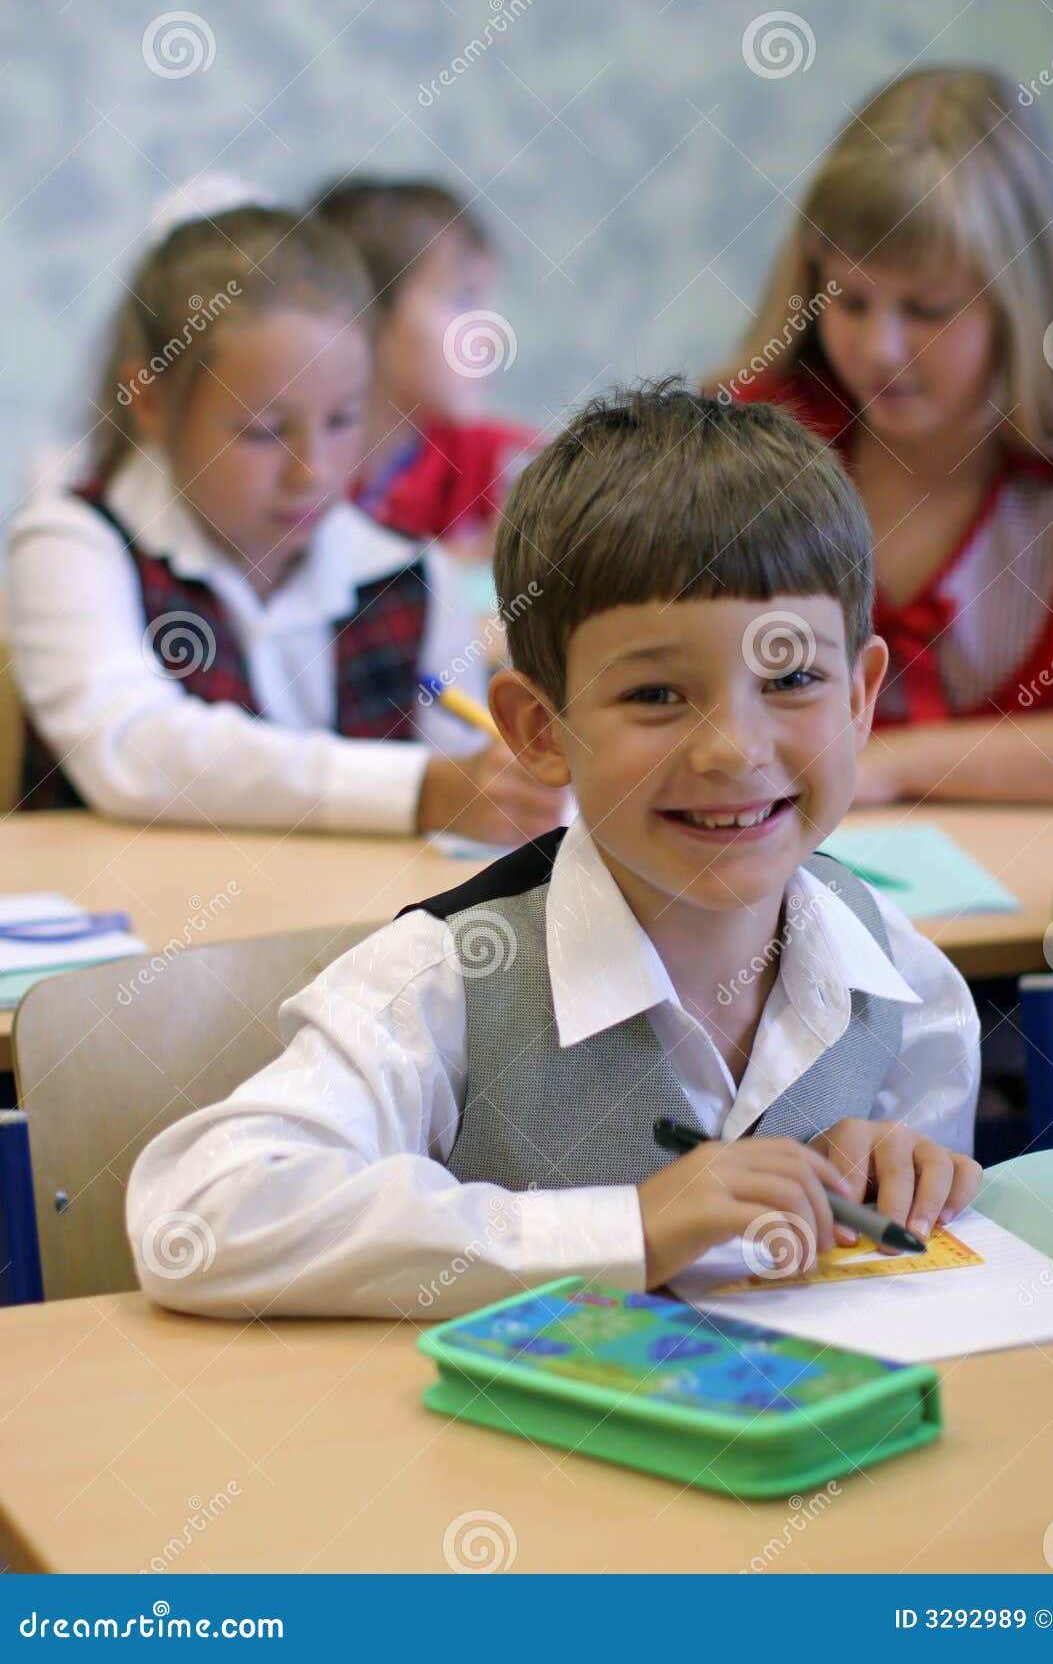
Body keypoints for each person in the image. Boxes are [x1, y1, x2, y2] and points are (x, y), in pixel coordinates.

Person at [126, 382, 981, 1319]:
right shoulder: (448, 980)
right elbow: (198, 1217)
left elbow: (921, 1291)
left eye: (792, 679)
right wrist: (625, 1229)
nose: (734, 751)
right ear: (539, 730)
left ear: (859, 700)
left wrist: (900, 1175)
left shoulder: (904, 982)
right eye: (657, 695)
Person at [714, 67, 1053, 805]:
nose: (880, 349)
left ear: (1021, 302)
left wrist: (898, 763)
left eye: (928, 308)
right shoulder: (745, 436)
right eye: (849, 299)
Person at [9, 198, 564, 843]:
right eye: (264, 431)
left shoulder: (412, 574)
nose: (313, 471)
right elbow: (131, 748)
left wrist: (501, 792)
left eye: (343, 420)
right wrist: (421, 789)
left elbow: (473, 800)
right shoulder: (73, 542)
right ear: (153, 403)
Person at [312, 176, 539, 556]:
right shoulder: (298, 469)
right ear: (364, 314)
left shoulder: (508, 465)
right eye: (465, 300)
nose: (491, 336)